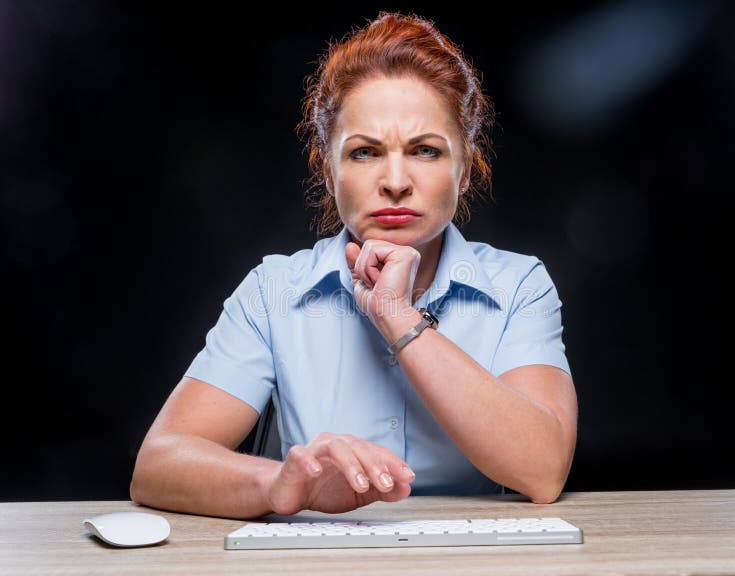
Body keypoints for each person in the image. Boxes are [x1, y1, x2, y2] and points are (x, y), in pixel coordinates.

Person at [130, 11, 578, 520]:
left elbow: (542, 471)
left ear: (466, 167)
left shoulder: (519, 284)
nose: (394, 181)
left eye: (426, 151)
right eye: (365, 152)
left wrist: (397, 315)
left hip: (474, 561)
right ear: (328, 169)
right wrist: (280, 483)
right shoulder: (274, 290)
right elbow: (159, 465)